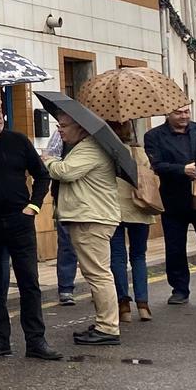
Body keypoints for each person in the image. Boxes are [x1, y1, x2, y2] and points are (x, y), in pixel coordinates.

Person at [0, 94, 62, 361]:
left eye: (0, 112)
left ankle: (36, 339)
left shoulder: (17, 141)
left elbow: (42, 175)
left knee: (29, 281)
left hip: (19, 220)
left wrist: (34, 206)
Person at [44, 113, 124, 346]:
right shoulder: (84, 146)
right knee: (96, 273)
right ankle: (104, 323)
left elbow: (65, 172)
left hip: (92, 218)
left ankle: (108, 328)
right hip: (90, 216)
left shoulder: (90, 148)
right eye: (59, 125)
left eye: (64, 125)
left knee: (98, 274)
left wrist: (47, 159)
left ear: (81, 127)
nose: (60, 130)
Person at [145, 105, 196, 304]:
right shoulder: (154, 136)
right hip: (172, 199)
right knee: (175, 247)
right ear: (168, 114)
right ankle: (179, 289)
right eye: (179, 112)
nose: (184, 116)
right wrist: (182, 169)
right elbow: (157, 165)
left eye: (186, 111)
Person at [110, 121, 158, 323]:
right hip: (140, 208)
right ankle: (143, 304)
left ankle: (123, 306)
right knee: (139, 256)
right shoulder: (139, 152)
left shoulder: (107, 152)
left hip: (114, 209)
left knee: (118, 257)